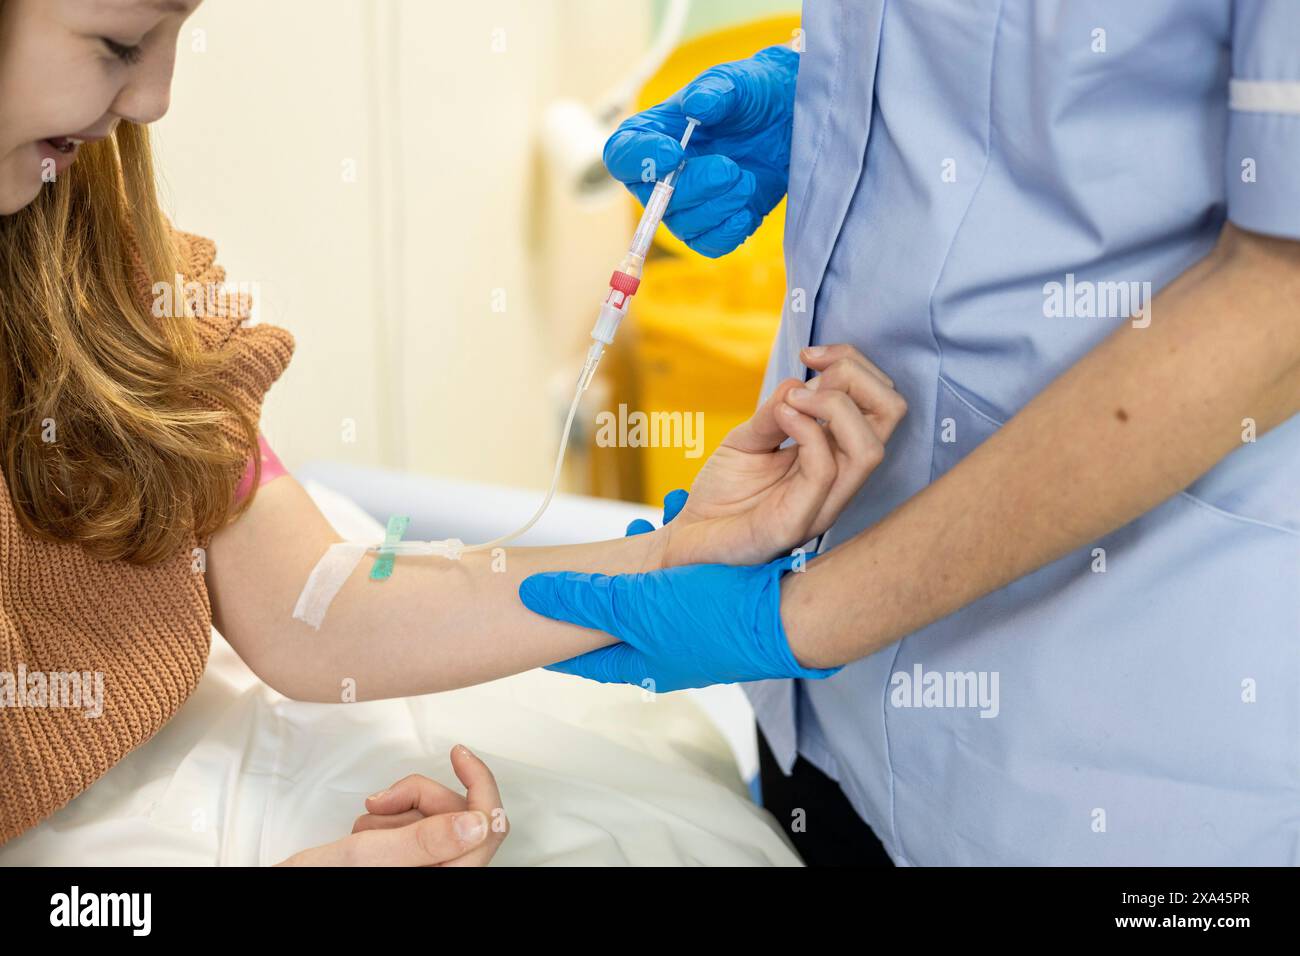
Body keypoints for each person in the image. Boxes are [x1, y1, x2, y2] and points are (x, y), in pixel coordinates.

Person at [0, 0, 907, 862]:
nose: (154, 99)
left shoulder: (100, 276)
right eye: (119, 44)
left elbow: (312, 611)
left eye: (174, 35)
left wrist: (672, 554)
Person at [520, 1, 1300, 865]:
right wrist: (826, 85)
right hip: (826, 716)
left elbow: (1279, 308)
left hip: (1107, 746)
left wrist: (800, 620)